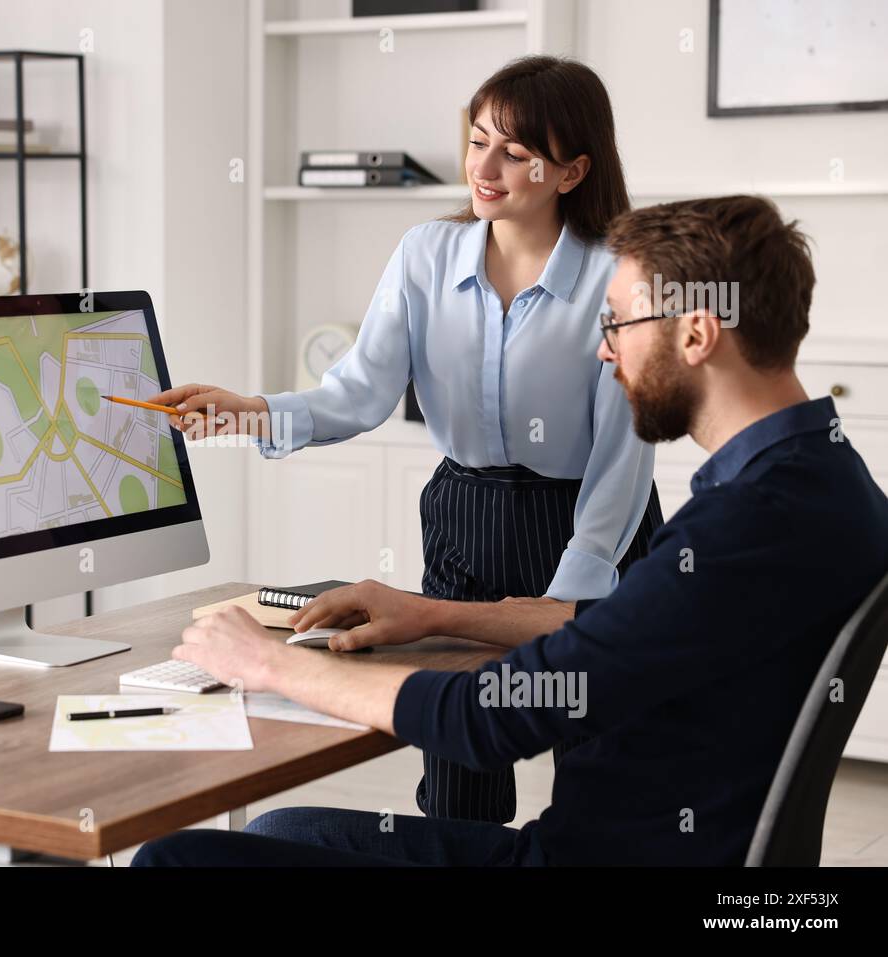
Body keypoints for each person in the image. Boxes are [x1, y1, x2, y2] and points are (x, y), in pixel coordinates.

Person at [132, 194, 888, 866]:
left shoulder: (742, 524)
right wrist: (433, 612)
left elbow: (495, 717)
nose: (603, 349)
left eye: (617, 323)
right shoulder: (821, 481)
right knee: (280, 829)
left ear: (696, 335)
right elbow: (610, 626)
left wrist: (270, 665)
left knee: (175, 857)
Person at [148, 56, 663, 826]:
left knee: (604, 757)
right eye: (478, 138)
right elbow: (355, 395)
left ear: (570, 170)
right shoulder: (425, 255)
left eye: (515, 152)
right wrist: (246, 411)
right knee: (457, 762)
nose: (483, 166)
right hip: (465, 516)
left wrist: (569, 599)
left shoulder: (617, 277)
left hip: (590, 518)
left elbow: (623, 459)